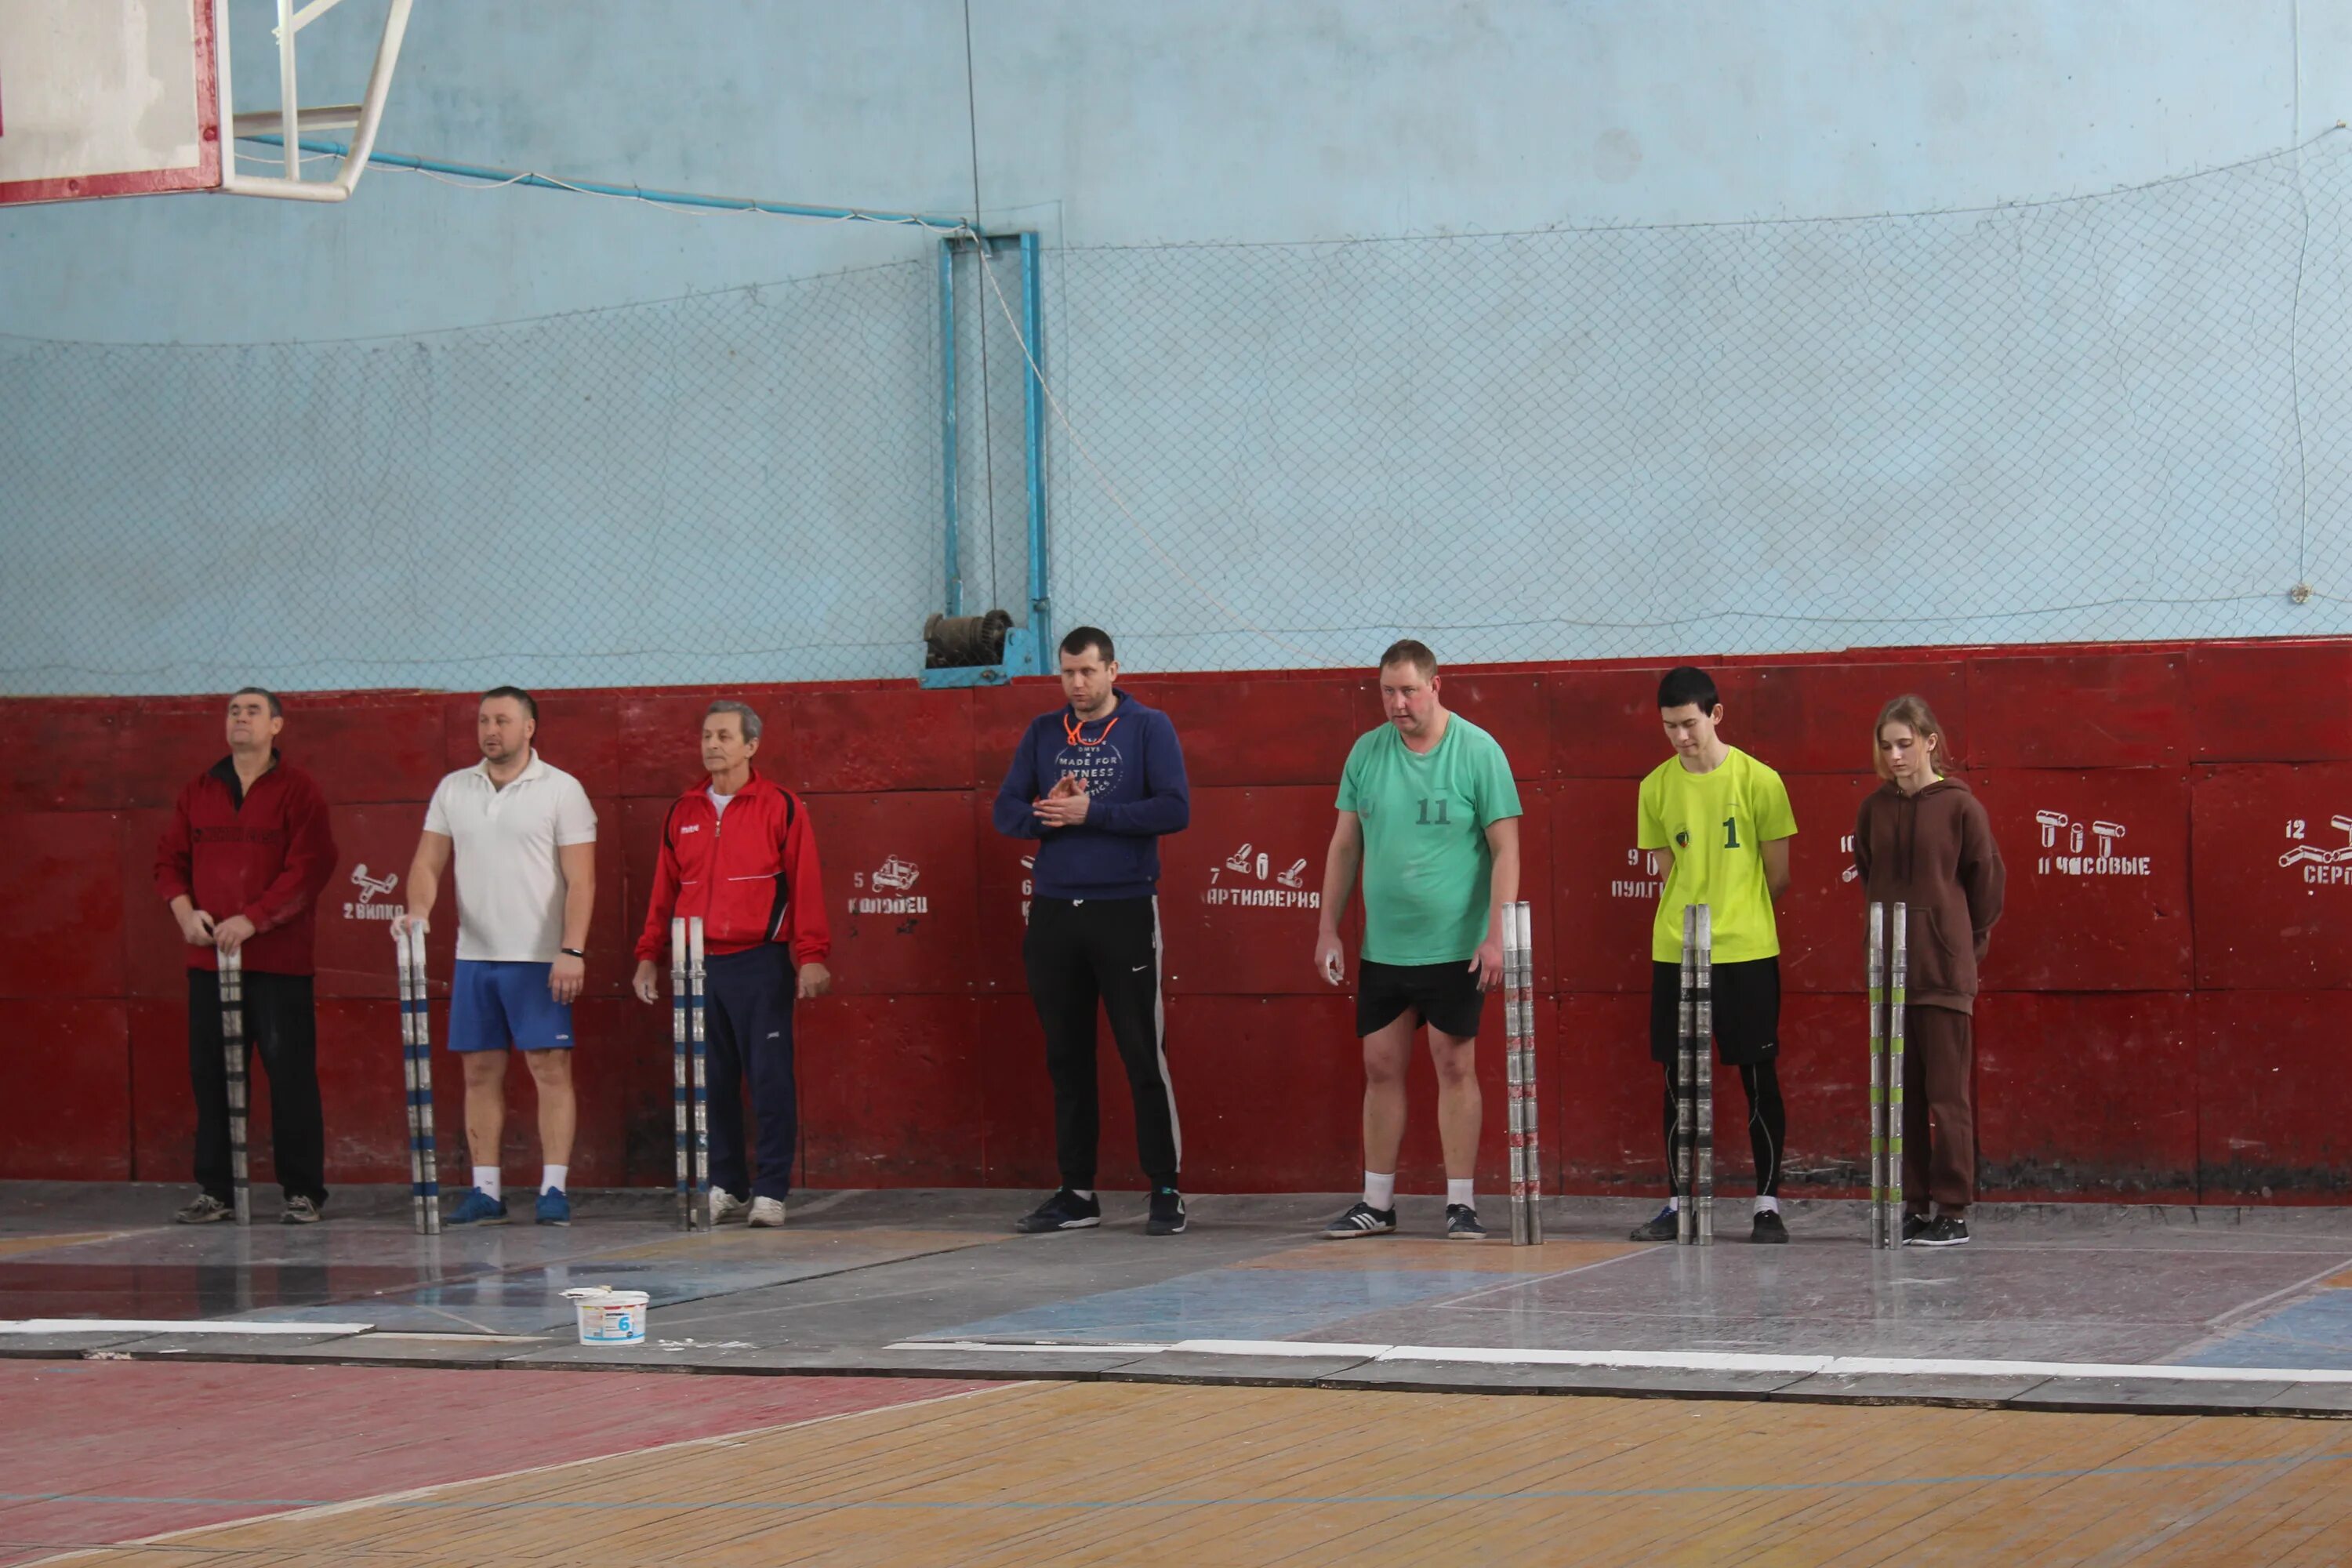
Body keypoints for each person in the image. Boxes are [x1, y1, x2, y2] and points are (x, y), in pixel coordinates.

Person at [1314, 639, 1522, 1241]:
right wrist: (1328, 926)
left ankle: (1461, 1204)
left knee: (1454, 1062)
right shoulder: (1367, 753)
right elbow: (1344, 845)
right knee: (1380, 1064)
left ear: (1436, 686)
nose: (1397, 703)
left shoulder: (1478, 752)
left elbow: (1507, 847)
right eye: (1387, 691)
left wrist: (1495, 935)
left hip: (1456, 945)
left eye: (1408, 690)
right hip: (1387, 947)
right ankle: (1376, 1203)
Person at [993, 626, 1192, 1236]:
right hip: (1055, 912)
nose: (1077, 684)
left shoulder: (1148, 728)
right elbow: (1007, 813)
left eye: (1088, 671)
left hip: (1124, 908)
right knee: (1067, 1057)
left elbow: (1174, 808)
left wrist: (1093, 812)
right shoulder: (1043, 733)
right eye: (1067, 673)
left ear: (1112, 670)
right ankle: (1077, 1193)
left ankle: (1165, 1189)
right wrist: (1048, 811)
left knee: (1140, 1052)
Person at [393, 687, 596, 1226]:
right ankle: (486, 1190)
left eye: (503, 720)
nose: (491, 730)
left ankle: (553, 1188)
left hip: (537, 959)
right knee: (479, 1071)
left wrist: (571, 949)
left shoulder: (562, 791)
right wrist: (417, 912)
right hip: (475, 958)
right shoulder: (454, 789)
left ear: (529, 727)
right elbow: (427, 863)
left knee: (548, 1068)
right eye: (484, 720)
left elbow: (582, 879)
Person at [632, 700, 831, 1227]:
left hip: (760, 963)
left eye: (724, 735)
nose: (712, 744)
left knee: (769, 1078)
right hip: (698, 969)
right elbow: (663, 892)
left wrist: (811, 956)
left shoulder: (781, 807)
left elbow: (806, 886)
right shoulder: (683, 813)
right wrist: (649, 956)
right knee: (712, 1081)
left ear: (751, 745)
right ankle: (728, 1184)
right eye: (706, 735)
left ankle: (770, 1191)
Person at [154, 688, 339, 1224]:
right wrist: (185, 913)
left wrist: (254, 918)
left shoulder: (299, 791)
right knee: (211, 1075)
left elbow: (310, 868)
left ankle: (302, 1192)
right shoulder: (199, 790)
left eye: (252, 711)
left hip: (279, 964)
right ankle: (218, 1190)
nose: (240, 718)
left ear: (277, 726)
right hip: (209, 965)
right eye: (234, 711)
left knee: (290, 1076)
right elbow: (168, 862)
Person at [1629, 666, 1798, 1243]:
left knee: (1758, 1076)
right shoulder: (1654, 788)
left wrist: (1737, 914)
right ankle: (1679, 1203)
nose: (1681, 736)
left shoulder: (1760, 781)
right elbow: (1665, 873)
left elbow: (1777, 875)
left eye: (1690, 723)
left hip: (1746, 951)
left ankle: (1767, 1205)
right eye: (1670, 726)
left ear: (1716, 715)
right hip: (1676, 951)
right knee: (1678, 1082)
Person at [1855, 694, 2005, 1247]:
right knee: (1902, 1096)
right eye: (1886, 745)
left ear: (1930, 742)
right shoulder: (1873, 810)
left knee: (1947, 1096)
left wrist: (1961, 940)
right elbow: (1869, 873)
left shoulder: (1962, 807)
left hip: (1942, 971)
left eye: (1905, 743)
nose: (1895, 755)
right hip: (1889, 973)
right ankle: (1913, 1204)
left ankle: (1954, 1209)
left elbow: (1985, 882)